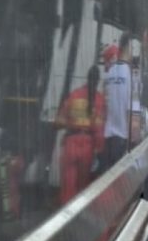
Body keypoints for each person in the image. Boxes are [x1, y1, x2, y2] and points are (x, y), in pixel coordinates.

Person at [54, 65, 105, 203]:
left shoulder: (75, 95)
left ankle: (66, 215)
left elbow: (59, 121)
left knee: (68, 184)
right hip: (88, 146)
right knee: (83, 187)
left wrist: (70, 125)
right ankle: (80, 218)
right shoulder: (99, 100)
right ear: (98, 81)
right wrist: (99, 150)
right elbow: (99, 130)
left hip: (71, 142)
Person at [102, 33, 133, 170]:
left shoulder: (110, 73)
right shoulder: (131, 74)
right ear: (129, 47)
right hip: (123, 137)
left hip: (108, 137)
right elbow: (131, 110)